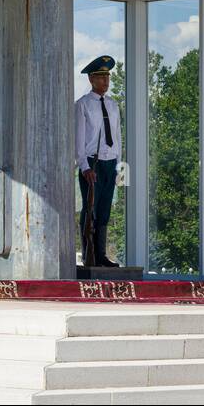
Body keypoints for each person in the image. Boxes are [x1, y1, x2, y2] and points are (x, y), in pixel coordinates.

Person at [75, 55, 122, 267]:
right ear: (91, 79)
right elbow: (79, 138)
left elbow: (117, 136)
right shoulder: (83, 105)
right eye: (101, 77)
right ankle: (88, 254)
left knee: (104, 210)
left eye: (107, 77)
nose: (106, 81)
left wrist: (118, 164)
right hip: (92, 163)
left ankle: (101, 254)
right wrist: (84, 166)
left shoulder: (112, 105)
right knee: (90, 208)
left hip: (109, 162)